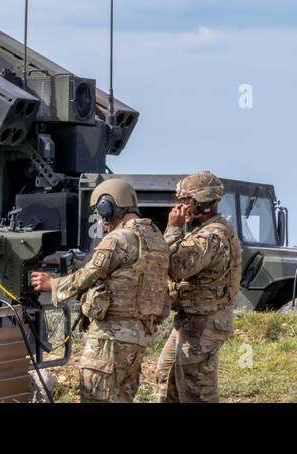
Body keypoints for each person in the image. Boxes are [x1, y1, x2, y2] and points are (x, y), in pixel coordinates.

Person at [30, 178, 169, 403]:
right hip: (138, 337)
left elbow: (86, 276)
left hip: (109, 339)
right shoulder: (156, 239)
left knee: (95, 397)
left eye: (101, 213)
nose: (102, 221)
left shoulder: (118, 239)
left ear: (110, 206)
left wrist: (53, 284)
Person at [156, 171, 242, 403]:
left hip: (203, 323)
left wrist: (173, 228)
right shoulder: (205, 231)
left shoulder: (210, 236)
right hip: (192, 320)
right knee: (167, 377)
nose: (179, 207)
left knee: (197, 392)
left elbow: (174, 267)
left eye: (185, 201)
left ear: (201, 203)